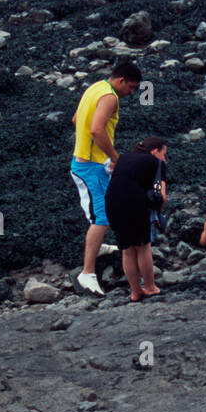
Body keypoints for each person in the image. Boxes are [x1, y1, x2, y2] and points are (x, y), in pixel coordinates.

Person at [69, 60, 141, 296]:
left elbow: (76, 118)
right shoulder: (110, 97)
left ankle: (98, 249)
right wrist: (114, 157)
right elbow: (96, 129)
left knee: (105, 212)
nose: (132, 93)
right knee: (101, 217)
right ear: (121, 80)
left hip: (87, 160)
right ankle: (87, 273)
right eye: (131, 87)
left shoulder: (95, 87)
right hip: (91, 166)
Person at [104, 136, 167, 303]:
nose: (164, 158)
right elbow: (160, 193)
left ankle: (135, 292)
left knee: (127, 249)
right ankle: (151, 287)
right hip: (134, 203)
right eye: (164, 154)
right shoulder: (156, 163)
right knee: (142, 246)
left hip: (111, 202)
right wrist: (159, 212)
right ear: (155, 151)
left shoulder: (123, 157)